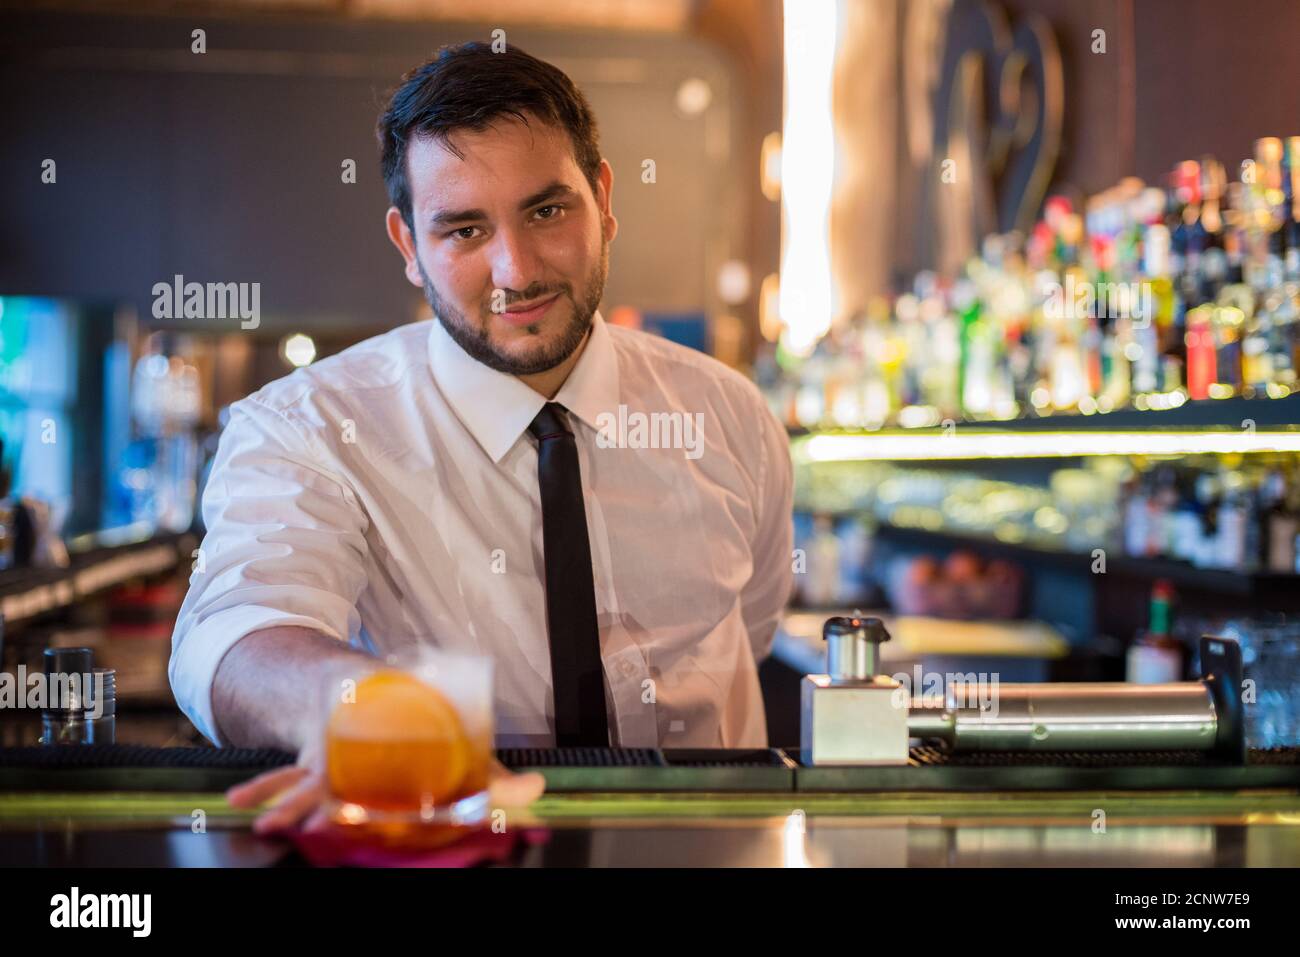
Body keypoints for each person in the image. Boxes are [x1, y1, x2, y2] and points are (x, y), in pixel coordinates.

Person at [169, 41, 793, 833]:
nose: (516, 269)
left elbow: (759, 620)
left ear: (603, 198)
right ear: (409, 247)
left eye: (547, 209)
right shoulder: (310, 427)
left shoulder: (729, 415)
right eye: (464, 229)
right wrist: (354, 708)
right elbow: (237, 631)